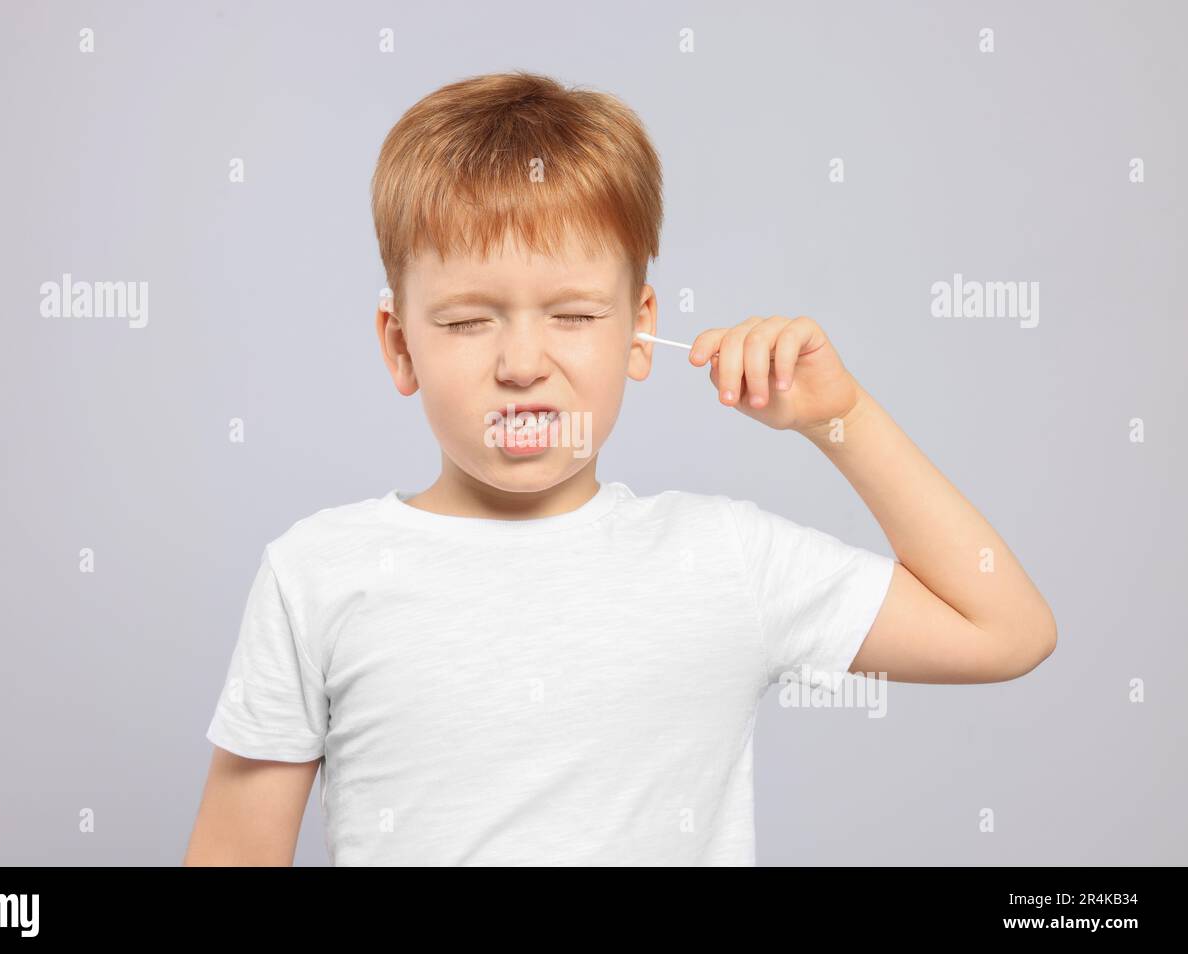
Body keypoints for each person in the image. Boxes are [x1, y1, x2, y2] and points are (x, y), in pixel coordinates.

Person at [183, 71, 1056, 866]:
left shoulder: (724, 559)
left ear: (640, 332)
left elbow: (1005, 629)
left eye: (572, 314)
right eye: (464, 322)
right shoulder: (317, 574)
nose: (523, 362)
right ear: (398, 344)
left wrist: (842, 420)